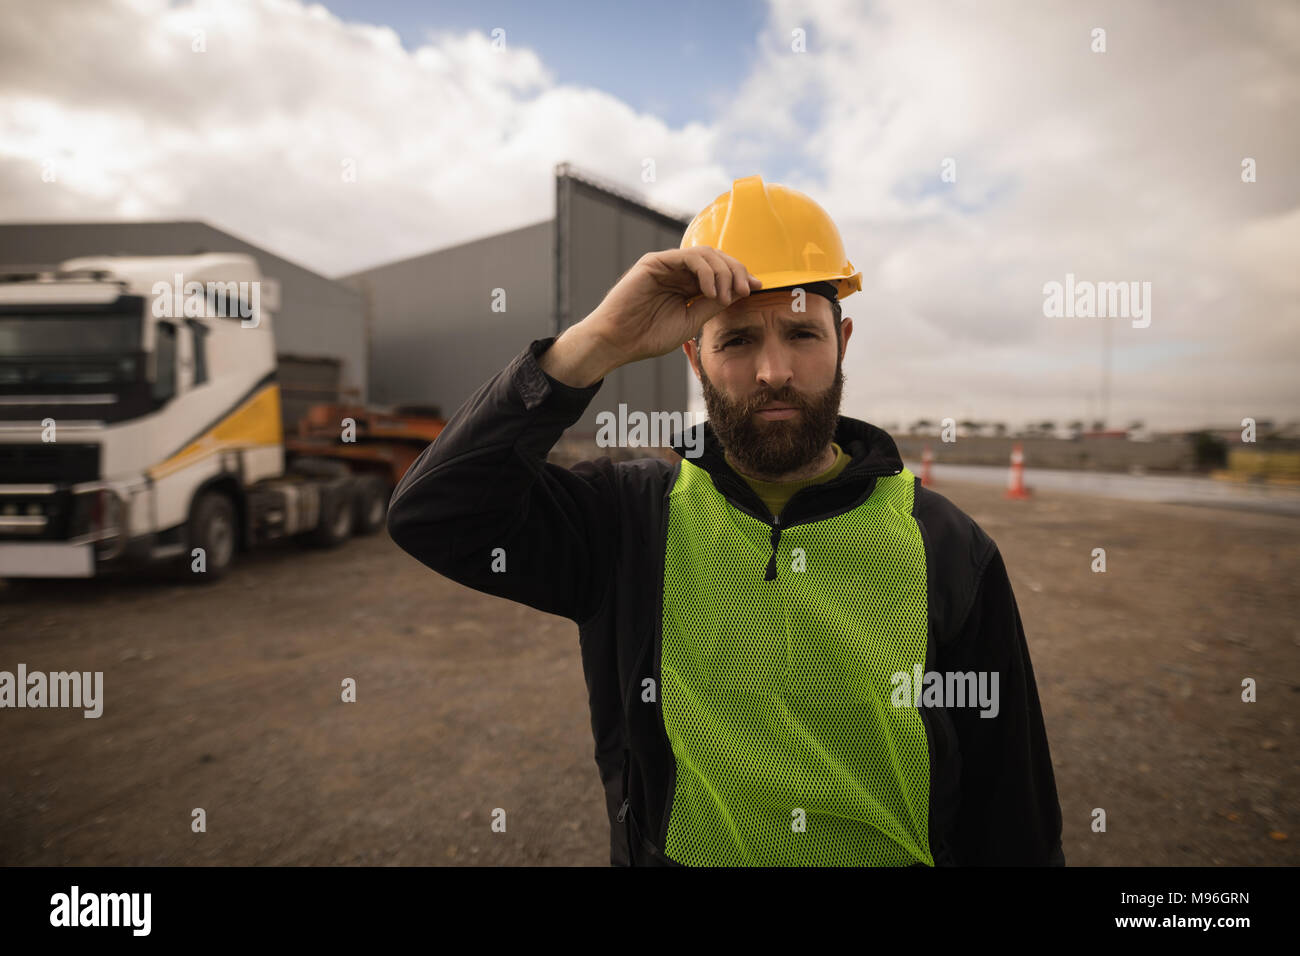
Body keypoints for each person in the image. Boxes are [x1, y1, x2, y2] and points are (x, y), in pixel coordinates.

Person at [387, 175, 1065, 866]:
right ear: (693, 355)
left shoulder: (946, 544)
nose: (773, 371)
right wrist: (593, 344)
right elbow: (436, 515)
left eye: (802, 333)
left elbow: (1014, 806)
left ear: (844, 341)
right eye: (736, 341)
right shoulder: (627, 522)